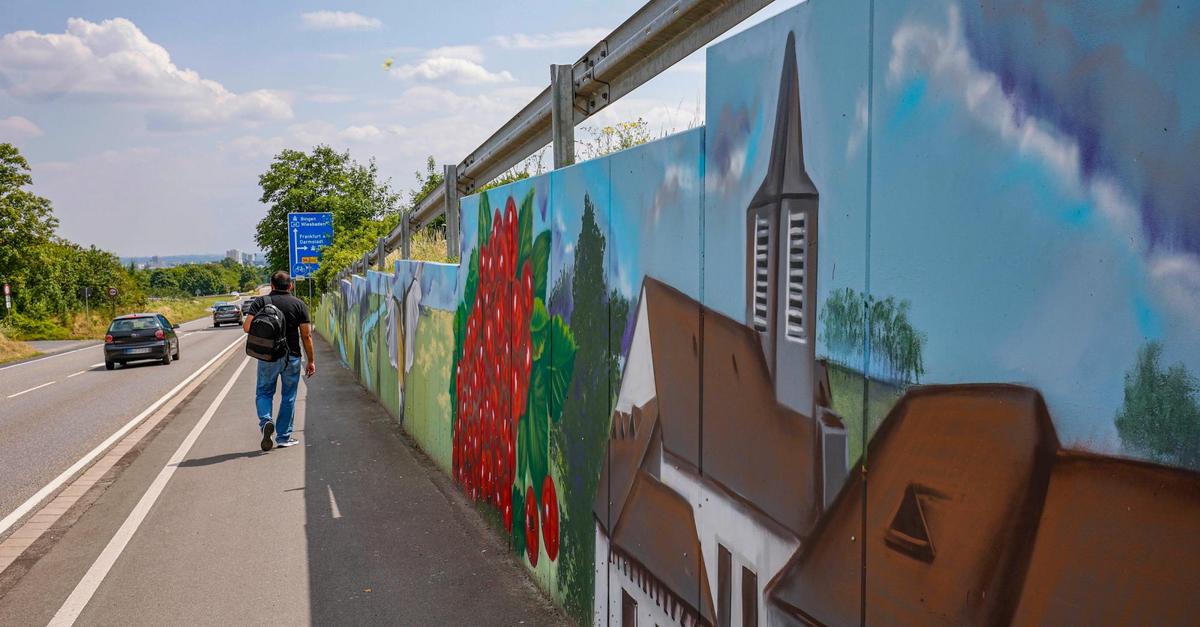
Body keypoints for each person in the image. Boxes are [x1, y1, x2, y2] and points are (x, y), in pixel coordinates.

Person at [243, 271, 316, 451]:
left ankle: (266, 421)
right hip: (292, 356)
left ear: (271, 285)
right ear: (290, 286)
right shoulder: (298, 304)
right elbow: (306, 335)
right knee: (289, 396)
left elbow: (247, 328)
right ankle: (283, 437)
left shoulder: (261, 302)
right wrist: (310, 360)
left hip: (268, 356)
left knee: (264, 392)